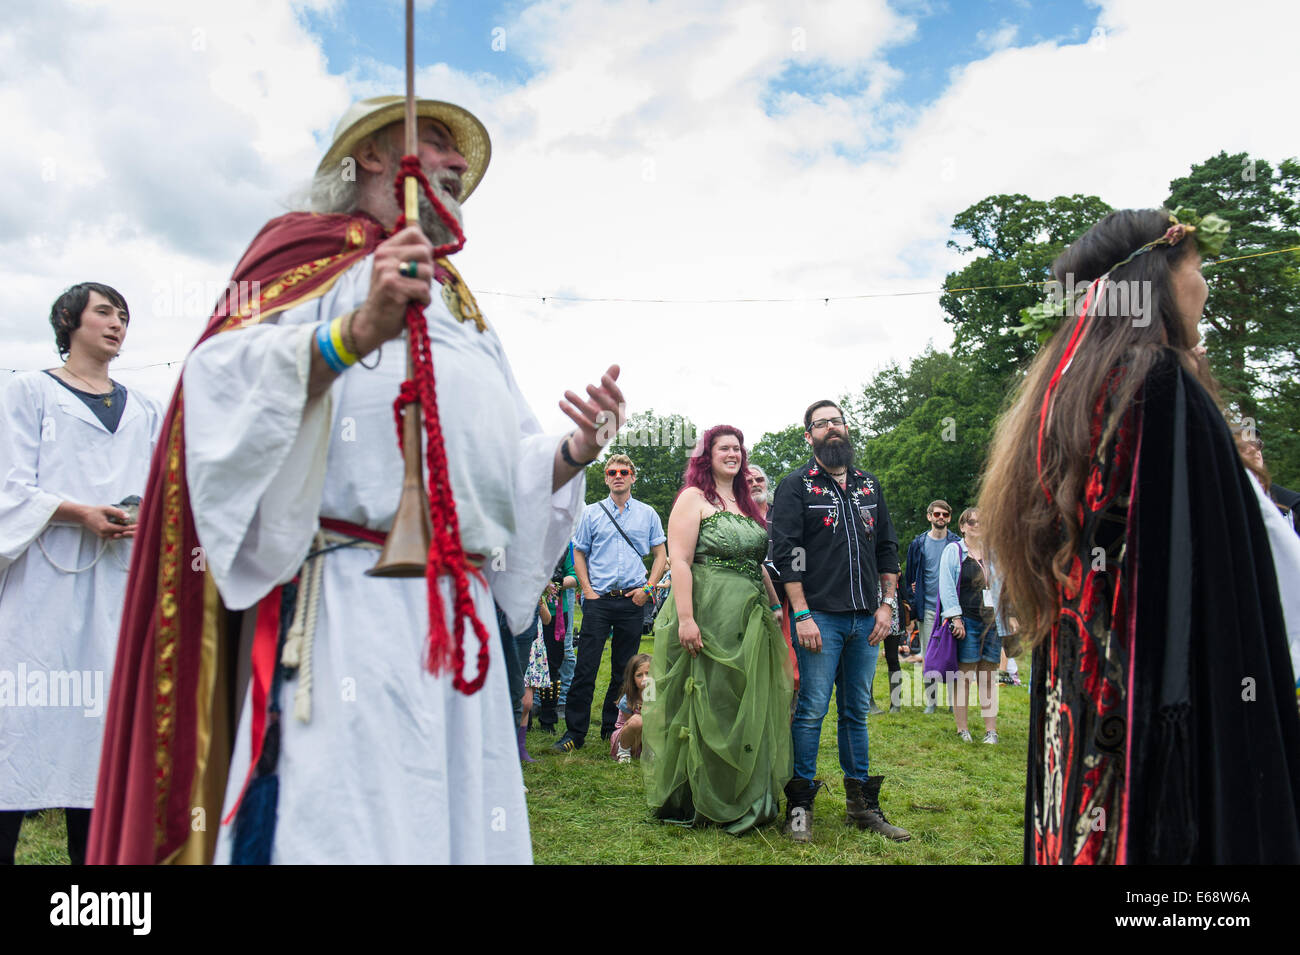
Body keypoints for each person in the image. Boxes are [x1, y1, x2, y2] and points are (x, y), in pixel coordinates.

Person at [88, 96, 628, 864]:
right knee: (352, 826)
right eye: (436, 142)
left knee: (457, 831)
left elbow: (501, 465)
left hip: (462, 617)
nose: (458, 162)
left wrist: (573, 448)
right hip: (354, 602)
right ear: (373, 154)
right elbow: (218, 387)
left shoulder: (464, 307)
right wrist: (350, 333)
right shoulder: (303, 259)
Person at [981, 207, 1300, 863]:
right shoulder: (1158, 386)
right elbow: (1215, 593)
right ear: (1161, 271)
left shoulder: (1069, 395)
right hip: (1160, 723)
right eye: (1200, 267)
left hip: (1084, 697)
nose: (1205, 286)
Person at [0, 283, 163, 865]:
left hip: (118, 584)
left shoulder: (145, 408)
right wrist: (76, 512)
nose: (118, 323)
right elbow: (8, 490)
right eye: (104, 312)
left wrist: (146, 521)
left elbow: (170, 490)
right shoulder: (30, 392)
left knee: (101, 740)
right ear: (69, 320)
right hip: (44, 583)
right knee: (23, 727)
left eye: (125, 314)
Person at [770, 401, 910, 842]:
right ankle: (800, 809)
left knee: (855, 714)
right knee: (810, 711)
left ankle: (862, 806)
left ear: (846, 430)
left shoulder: (870, 485)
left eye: (838, 421)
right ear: (808, 435)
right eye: (821, 423)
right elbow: (787, 553)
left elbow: (887, 548)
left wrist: (887, 605)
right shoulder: (795, 486)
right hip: (820, 619)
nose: (832, 428)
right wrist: (803, 613)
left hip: (867, 619)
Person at [643, 425, 793, 832]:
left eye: (738, 448)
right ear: (706, 456)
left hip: (750, 614)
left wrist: (777, 605)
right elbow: (681, 561)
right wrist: (687, 619)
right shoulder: (693, 499)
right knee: (711, 697)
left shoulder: (746, 503)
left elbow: (757, 562)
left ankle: (746, 794)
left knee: (746, 698)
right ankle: (701, 798)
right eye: (724, 448)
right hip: (707, 611)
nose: (734, 453)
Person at [552, 454, 667, 753]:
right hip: (598, 600)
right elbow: (579, 553)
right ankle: (574, 733)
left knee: (623, 670)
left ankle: (611, 728)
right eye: (612, 471)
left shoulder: (647, 514)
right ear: (605, 478)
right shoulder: (591, 513)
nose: (618, 476)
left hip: (632, 599)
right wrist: (588, 590)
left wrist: (648, 589)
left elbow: (661, 555)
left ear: (633, 476)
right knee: (586, 668)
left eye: (624, 471)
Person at [937, 508, 1000, 744]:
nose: (977, 525)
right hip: (967, 621)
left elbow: (1003, 586)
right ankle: (962, 729)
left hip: (992, 622)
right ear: (962, 526)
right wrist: (955, 617)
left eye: (981, 522)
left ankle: (990, 731)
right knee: (963, 677)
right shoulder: (954, 551)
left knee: (988, 677)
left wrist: (1009, 615)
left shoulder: (994, 553)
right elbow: (946, 586)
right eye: (972, 522)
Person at [903, 500, 960, 713]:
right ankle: (931, 701)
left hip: (951, 609)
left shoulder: (956, 544)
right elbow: (909, 577)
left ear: (950, 518)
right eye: (937, 514)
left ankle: (955, 703)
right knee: (929, 655)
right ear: (929, 516)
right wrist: (913, 598)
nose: (941, 518)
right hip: (927, 608)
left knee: (954, 655)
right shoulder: (918, 544)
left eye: (945, 514)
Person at [610, 653, 651, 764]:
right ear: (632, 678)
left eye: (648, 673)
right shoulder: (628, 699)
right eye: (639, 675)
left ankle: (650, 751)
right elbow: (632, 724)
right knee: (638, 720)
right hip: (628, 737)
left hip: (647, 736)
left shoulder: (658, 696)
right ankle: (623, 752)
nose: (645, 679)